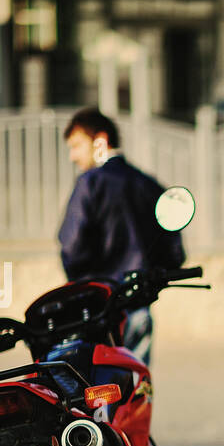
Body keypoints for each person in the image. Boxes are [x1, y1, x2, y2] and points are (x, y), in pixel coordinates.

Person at [59, 107, 184, 364]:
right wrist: (151, 279)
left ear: (100, 142)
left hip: (97, 310)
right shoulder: (148, 185)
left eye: (77, 145)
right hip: (139, 305)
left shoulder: (90, 183)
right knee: (134, 393)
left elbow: (71, 246)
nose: (73, 156)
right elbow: (174, 249)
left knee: (95, 393)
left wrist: (82, 283)